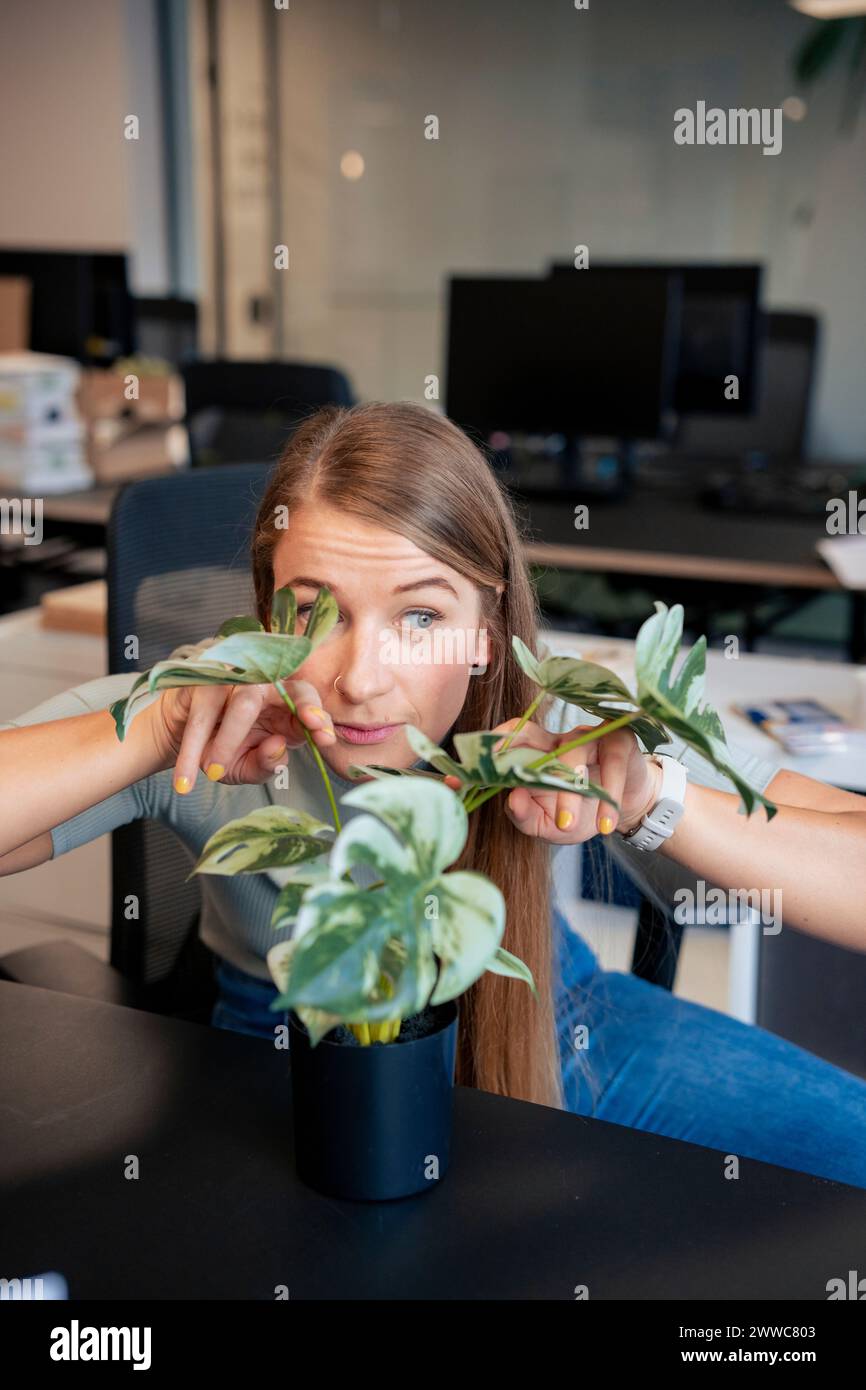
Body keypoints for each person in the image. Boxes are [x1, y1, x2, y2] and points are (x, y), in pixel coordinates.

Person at [1, 401, 865, 1189]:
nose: (363, 681)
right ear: (266, 618)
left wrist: (654, 798)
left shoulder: (558, 712)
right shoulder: (206, 714)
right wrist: (154, 729)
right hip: (286, 1039)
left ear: (487, 635)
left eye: (420, 618)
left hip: (540, 1010)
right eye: (314, 613)